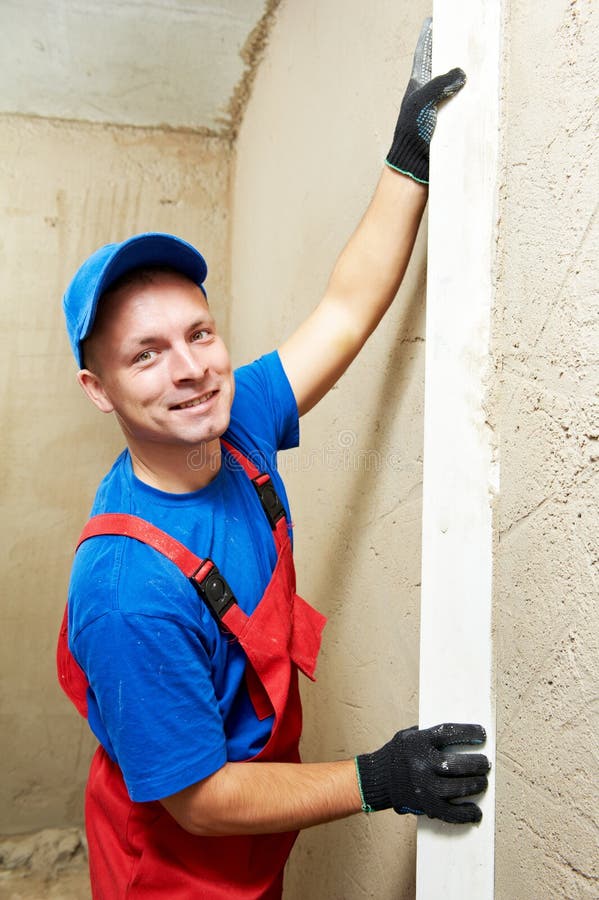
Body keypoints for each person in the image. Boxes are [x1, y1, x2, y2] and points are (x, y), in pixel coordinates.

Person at [57, 19, 490, 900]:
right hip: (174, 877)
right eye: (145, 355)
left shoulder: (236, 418)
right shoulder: (124, 592)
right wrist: (381, 778)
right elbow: (202, 801)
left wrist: (408, 157)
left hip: (258, 844)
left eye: (199, 333)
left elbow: (343, 310)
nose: (188, 370)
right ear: (98, 389)